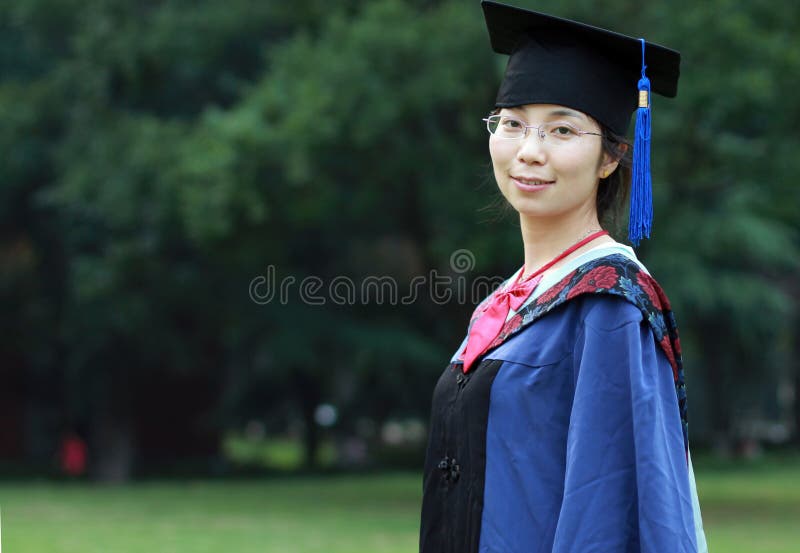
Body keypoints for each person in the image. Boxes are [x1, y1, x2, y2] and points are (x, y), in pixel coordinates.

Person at [419, 2, 707, 552]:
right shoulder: (506, 304)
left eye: (562, 129)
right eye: (512, 123)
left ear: (610, 158)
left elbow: (607, 514)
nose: (529, 151)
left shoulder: (610, 305)